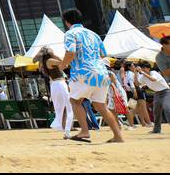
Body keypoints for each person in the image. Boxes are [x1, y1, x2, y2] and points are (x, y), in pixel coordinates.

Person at [60, 8, 123, 144]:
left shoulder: (70, 34)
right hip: (101, 72)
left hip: (83, 72)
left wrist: (62, 66)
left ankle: (84, 131)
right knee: (101, 106)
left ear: (66, 22)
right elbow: (103, 54)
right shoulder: (94, 34)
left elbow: (70, 53)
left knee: (75, 101)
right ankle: (118, 136)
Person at [134, 60, 170, 132]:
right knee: (156, 111)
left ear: (148, 68)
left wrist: (142, 72)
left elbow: (153, 79)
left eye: (144, 68)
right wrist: (135, 73)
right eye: (141, 68)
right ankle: (156, 129)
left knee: (167, 108)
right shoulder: (142, 76)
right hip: (157, 93)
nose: (142, 69)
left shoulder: (153, 72)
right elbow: (137, 84)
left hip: (166, 92)